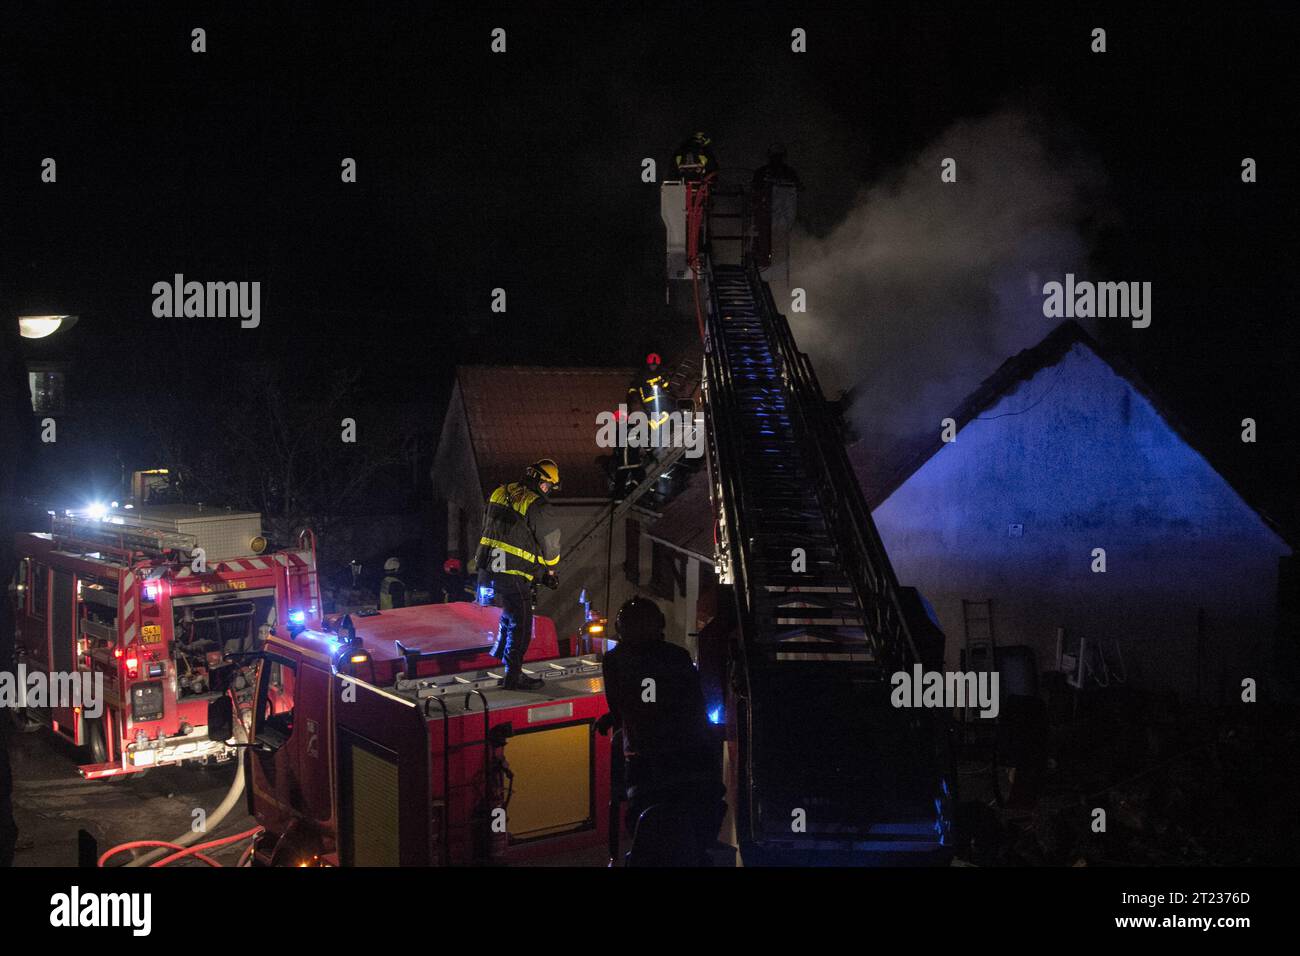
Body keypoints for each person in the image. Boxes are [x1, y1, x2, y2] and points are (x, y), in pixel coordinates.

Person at [598, 597, 722, 857]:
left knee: (645, 826)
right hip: (692, 759)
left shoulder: (615, 660)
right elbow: (694, 700)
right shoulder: (678, 655)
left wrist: (615, 720)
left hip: (646, 763)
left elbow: (621, 707)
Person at [475, 459, 562, 690]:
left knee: (510, 612)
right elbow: (549, 544)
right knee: (522, 622)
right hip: (511, 571)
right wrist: (550, 571)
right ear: (542, 482)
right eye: (549, 486)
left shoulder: (500, 492)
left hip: (487, 568)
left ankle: (499, 652)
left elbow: (504, 537)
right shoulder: (537, 505)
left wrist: (536, 574)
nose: (548, 491)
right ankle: (513, 675)